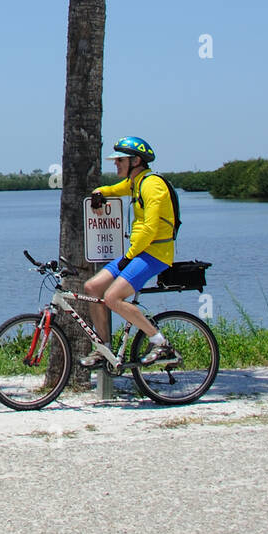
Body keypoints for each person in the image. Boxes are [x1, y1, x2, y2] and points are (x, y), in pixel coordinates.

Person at [83, 136, 178, 366]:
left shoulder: (152, 185)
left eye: (120, 160)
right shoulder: (135, 182)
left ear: (136, 161)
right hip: (137, 252)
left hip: (155, 254)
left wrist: (128, 256)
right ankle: (103, 349)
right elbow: (115, 189)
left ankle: (160, 343)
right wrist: (99, 193)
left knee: (113, 298)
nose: (115, 164)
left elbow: (150, 228)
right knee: (92, 287)